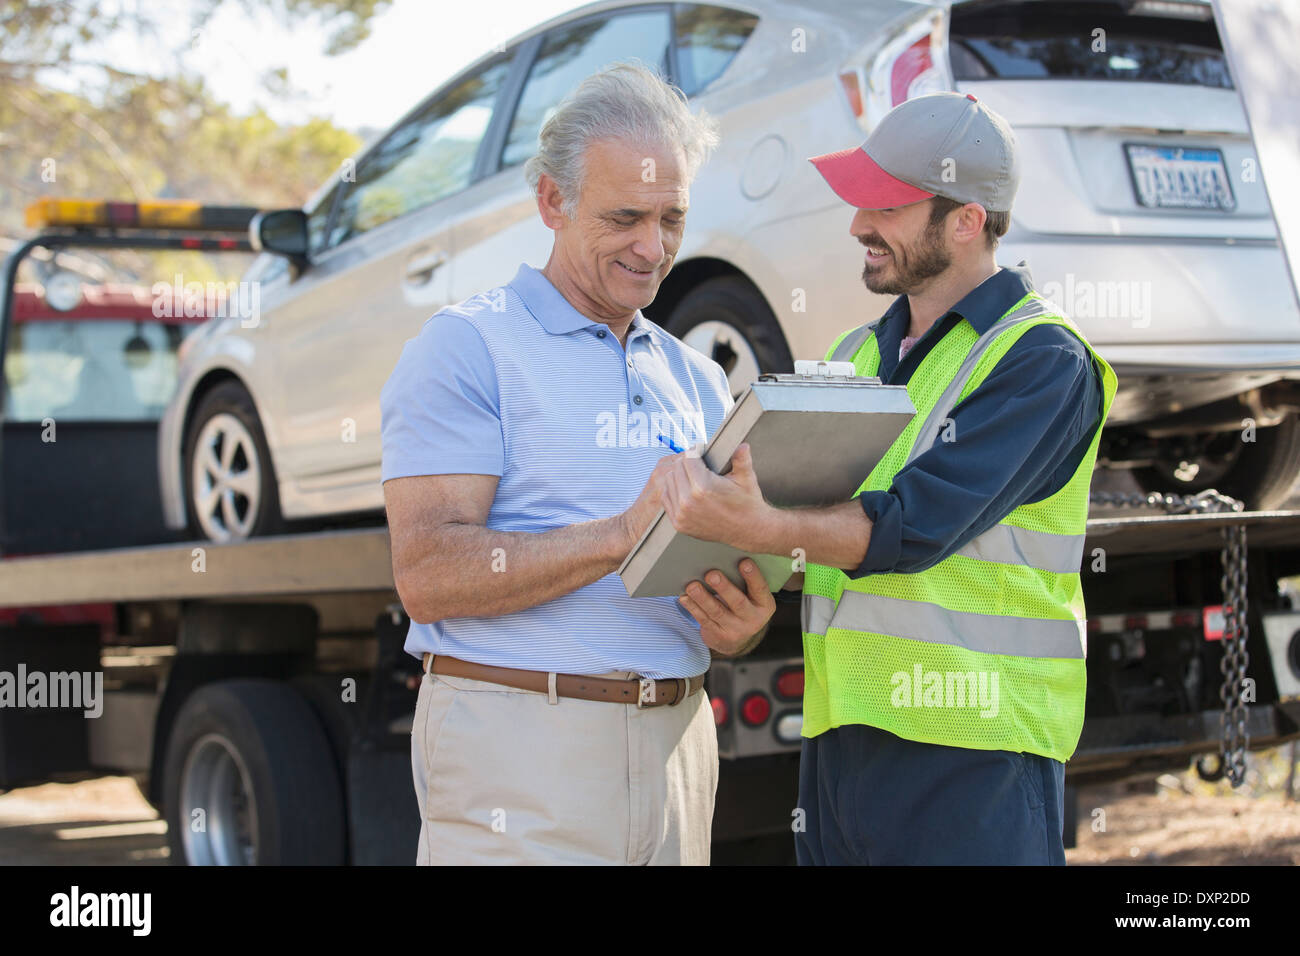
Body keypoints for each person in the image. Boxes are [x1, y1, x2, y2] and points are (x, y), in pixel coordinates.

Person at [655, 92, 1117, 864]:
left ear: (966, 220)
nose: (858, 225)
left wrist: (757, 525)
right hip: (842, 747)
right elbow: (814, 543)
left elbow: (913, 524)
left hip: (975, 750)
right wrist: (753, 596)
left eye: (887, 205)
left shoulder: (1043, 361)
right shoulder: (862, 354)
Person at [380, 62, 775, 866]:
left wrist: (744, 620)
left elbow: (712, 581)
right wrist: (620, 536)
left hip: (680, 747)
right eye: (625, 216)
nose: (652, 246)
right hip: (519, 755)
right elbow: (426, 571)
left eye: (673, 218)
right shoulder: (469, 346)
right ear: (552, 202)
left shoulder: (697, 377)